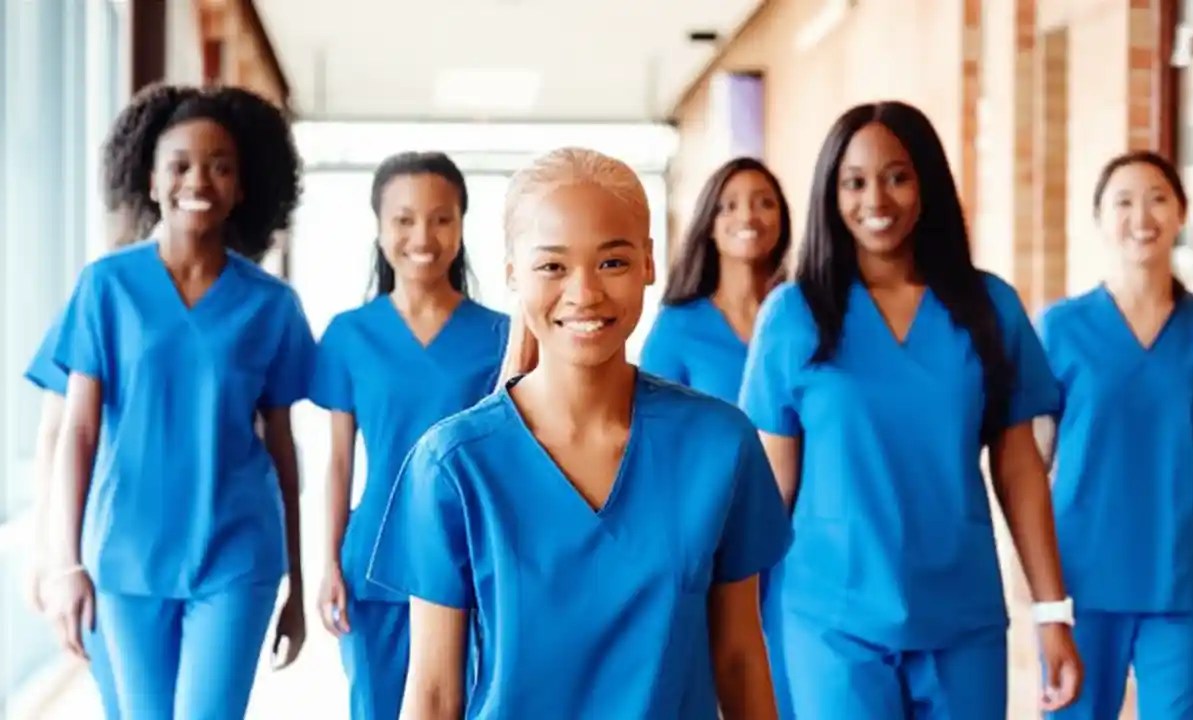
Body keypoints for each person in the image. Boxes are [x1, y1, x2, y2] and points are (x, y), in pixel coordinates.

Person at [366, 147, 791, 719]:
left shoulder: (720, 445)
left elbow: (739, 659)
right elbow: (435, 693)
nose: (584, 292)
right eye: (552, 266)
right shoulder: (452, 466)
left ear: (649, 263)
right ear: (513, 272)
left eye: (612, 262)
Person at [739, 101, 1083, 718]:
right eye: (855, 182)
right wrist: (729, 628)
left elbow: (1019, 469)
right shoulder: (793, 316)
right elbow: (770, 488)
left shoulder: (989, 308)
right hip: (831, 620)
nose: (878, 199)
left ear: (927, 182)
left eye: (898, 176)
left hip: (961, 617)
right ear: (831, 193)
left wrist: (1052, 611)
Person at [42, 82, 312, 720]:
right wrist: (63, 563)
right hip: (124, 558)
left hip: (235, 554)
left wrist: (298, 585)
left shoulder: (271, 305)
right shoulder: (106, 287)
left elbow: (282, 447)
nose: (201, 180)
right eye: (182, 164)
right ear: (152, 179)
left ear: (244, 186)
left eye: (222, 166)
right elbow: (76, 433)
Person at [1036, 151, 1193, 719]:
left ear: (1182, 214)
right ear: (1100, 220)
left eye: (1159, 198)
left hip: (1182, 581)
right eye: (1124, 201)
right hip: (1080, 581)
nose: (1143, 216)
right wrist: (1035, 588)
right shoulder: (1060, 330)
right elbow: (1032, 465)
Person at [310, 151, 508, 720]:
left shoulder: (501, 335)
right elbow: (339, 464)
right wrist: (328, 564)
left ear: (462, 225)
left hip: (472, 556)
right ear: (379, 228)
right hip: (373, 560)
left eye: (441, 218)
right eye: (404, 219)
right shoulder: (350, 335)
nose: (423, 235)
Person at [639, 157, 791, 402]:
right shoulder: (677, 325)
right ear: (709, 224)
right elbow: (652, 426)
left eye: (765, 203)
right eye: (729, 206)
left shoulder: (804, 316)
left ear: (783, 220)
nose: (747, 216)